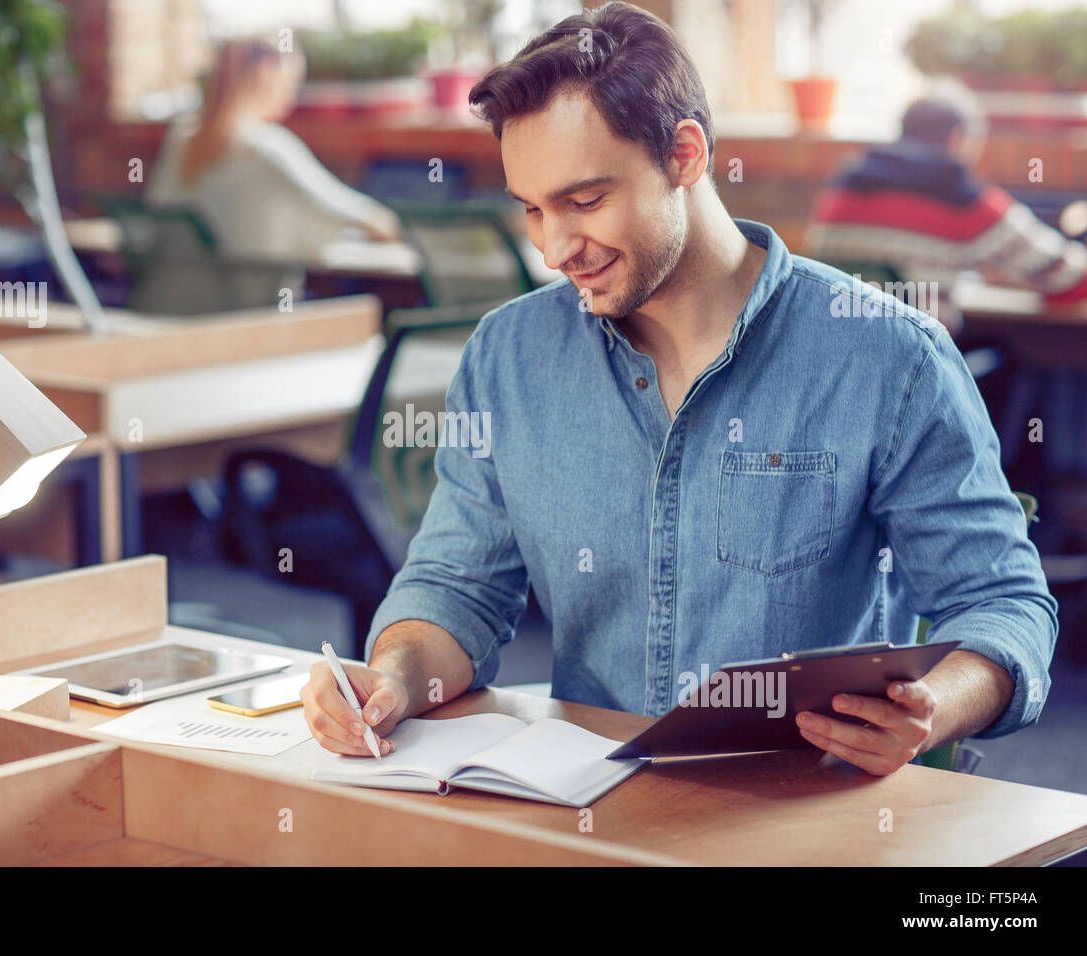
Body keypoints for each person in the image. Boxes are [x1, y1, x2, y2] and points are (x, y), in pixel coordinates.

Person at [300, 2, 1057, 776]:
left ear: (685, 154)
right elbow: (458, 586)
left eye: (585, 201)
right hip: (595, 808)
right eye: (532, 209)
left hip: (811, 817)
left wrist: (933, 709)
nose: (556, 247)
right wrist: (392, 677)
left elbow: (1006, 606)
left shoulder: (889, 358)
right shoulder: (508, 356)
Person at [145, 37, 402, 311]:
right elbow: (372, 220)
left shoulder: (180, 142)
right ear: (265, 74)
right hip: (248, 322)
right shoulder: (267, 147)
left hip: (167, 312)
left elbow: (153, 216)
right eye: (292, 84)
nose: (292, 98)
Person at [806, 85, 1087, 336]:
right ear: (958, 138)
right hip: (920, 372)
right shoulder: (961, 197)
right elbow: (1071, 276)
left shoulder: (841, 190)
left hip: (835, 368)